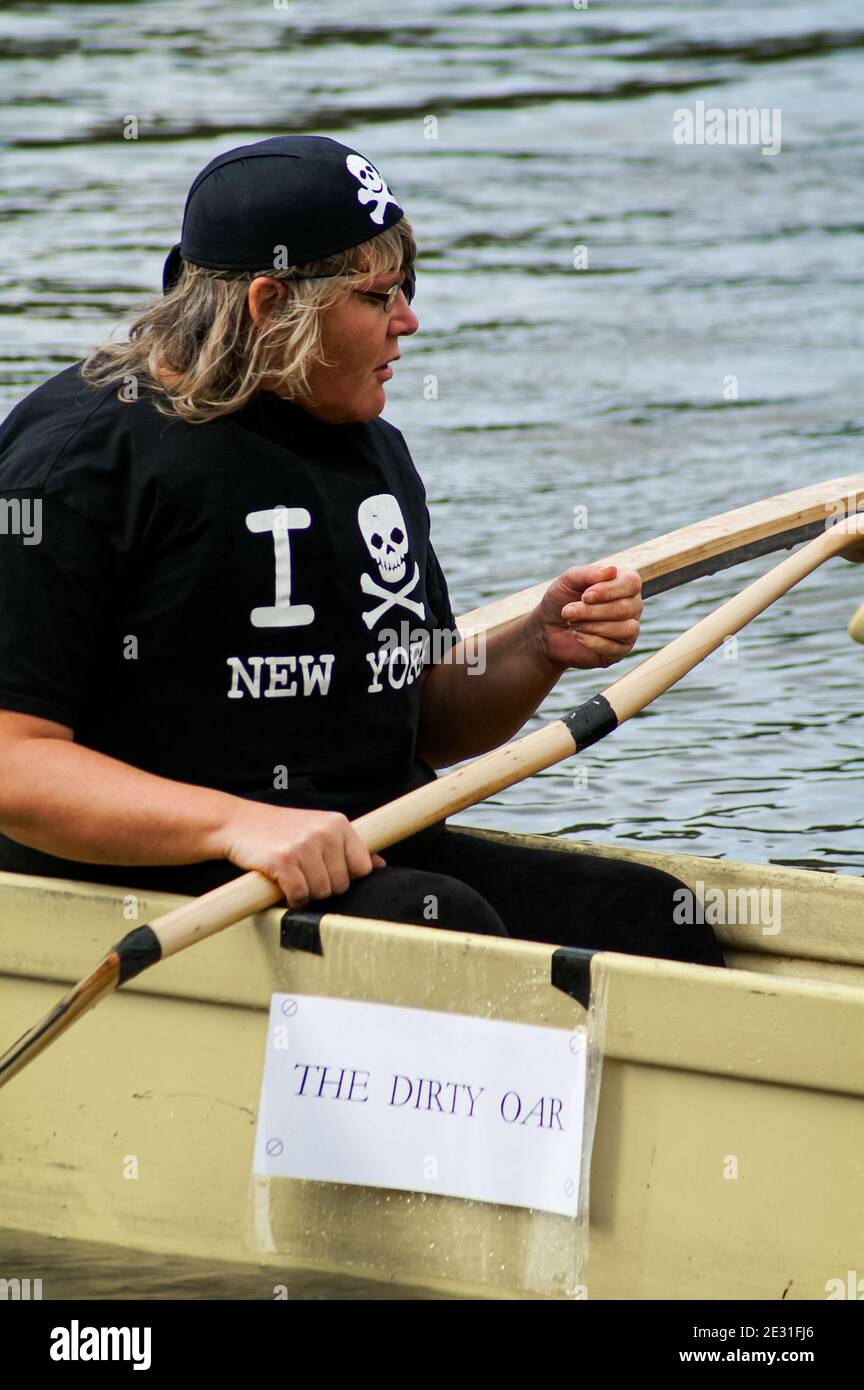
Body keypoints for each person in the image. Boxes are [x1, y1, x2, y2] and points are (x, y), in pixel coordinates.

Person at [0, 135, 724, 967]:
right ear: (270, 304)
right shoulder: (79, 465)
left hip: (360, 851)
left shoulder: (369, 448)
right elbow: (14, 765)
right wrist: (239, 823)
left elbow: (424, 720)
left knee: (649, 916)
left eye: (408, 287)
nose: (410, 321)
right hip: (142, 880)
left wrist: (537, 647)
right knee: (437, 928)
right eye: (379, 295)